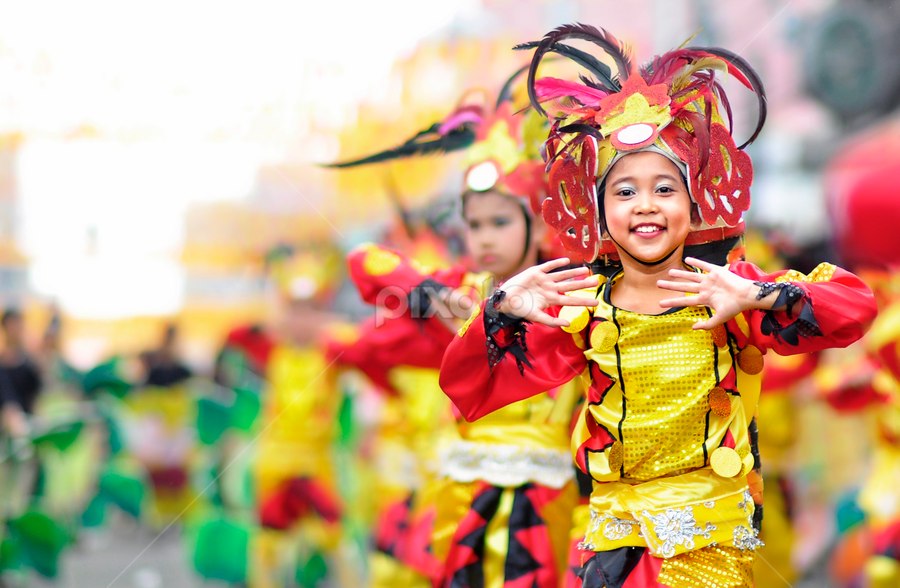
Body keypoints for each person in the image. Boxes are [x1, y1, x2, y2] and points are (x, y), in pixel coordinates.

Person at [440, 24, 877, 587]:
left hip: (709, 551)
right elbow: (471, 388)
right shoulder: (584, 310)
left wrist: (758, 295)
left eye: (664, 189)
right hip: (612, 551)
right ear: (600, 212)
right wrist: (499, 310)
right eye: (624, 192)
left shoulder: (727, 290)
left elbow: (855, 309)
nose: (646, 206)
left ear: (693, 205)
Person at [332, 69, 583, 588]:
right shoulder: (461, 290)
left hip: (547, 496)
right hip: (459, 490)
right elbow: (365, 260)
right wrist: (435, 297)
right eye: (474, 225)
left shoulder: (570, 293)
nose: (485, 238)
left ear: (537, 224)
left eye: (500, 222)